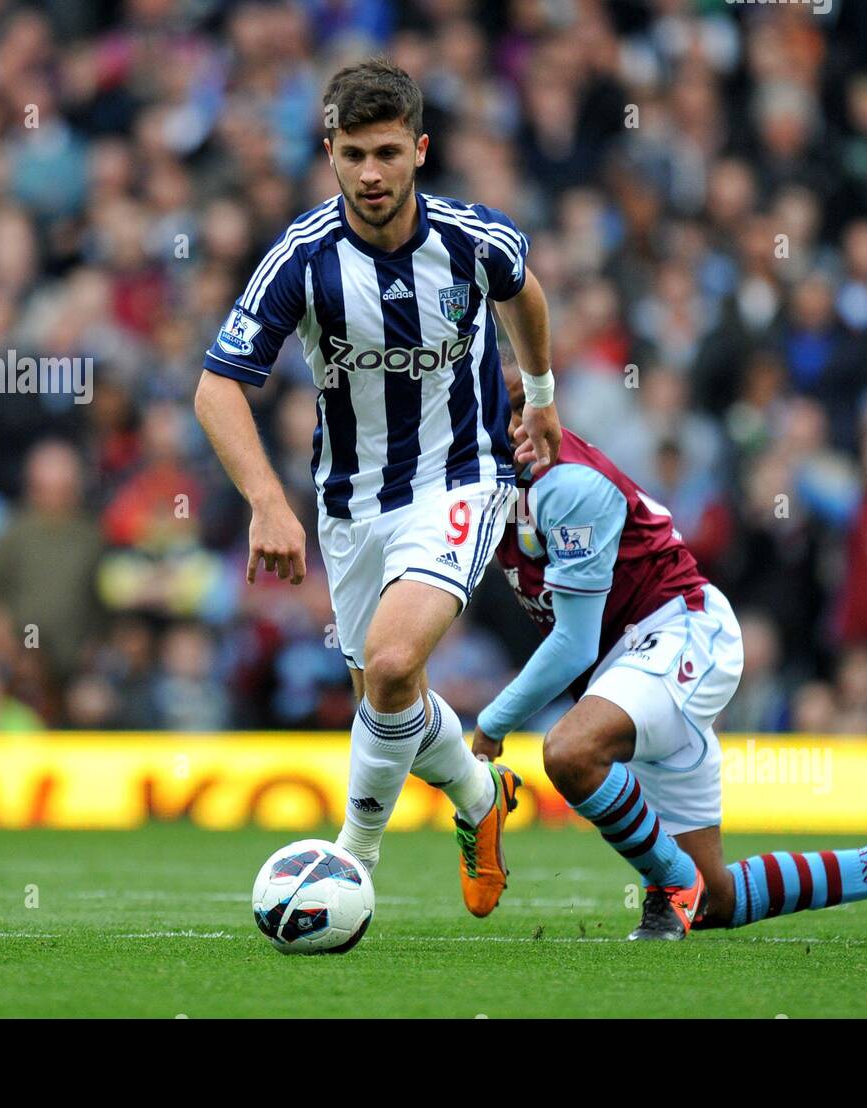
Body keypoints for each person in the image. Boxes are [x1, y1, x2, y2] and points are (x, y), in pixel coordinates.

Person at [194, 58, 562, 916]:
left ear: (421, 150)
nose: (370, 173)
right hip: (349, 504)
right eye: (353, 153)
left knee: (396, 664)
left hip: (461, 478)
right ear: (329, 153)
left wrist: (540, 398)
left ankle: (349, 861)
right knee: (388, 702)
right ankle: (480, 797)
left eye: (388, 152)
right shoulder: (302, 258)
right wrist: (267, 502)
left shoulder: (475, 238)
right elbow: (217, 387)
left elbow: (525, 295)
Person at [473, 372, 867, 942]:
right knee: (716, 901)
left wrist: (490, 727)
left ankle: (670, 883)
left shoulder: (567, 484)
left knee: (570, 751)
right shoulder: (486, 486)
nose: (519, 426)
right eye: (505, 413)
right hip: (633, 663)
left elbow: (575, 642)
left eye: (527, 409)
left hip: (680, 631)